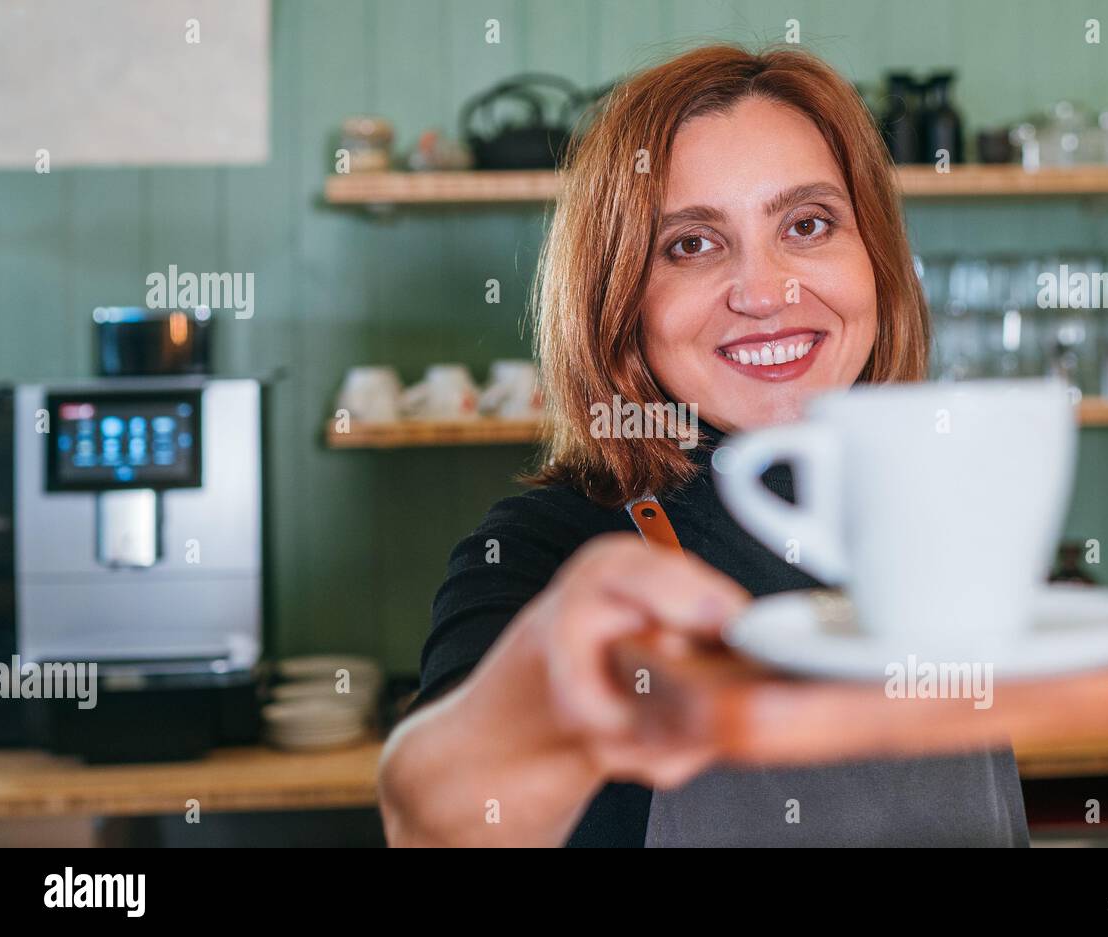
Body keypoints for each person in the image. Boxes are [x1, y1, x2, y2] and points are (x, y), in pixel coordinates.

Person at [378, 44, 1029, 847]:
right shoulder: (547, 549)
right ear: (620, 299)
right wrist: (536, 680)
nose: (766, 292)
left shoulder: (915, 525)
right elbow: (436, 810)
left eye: (808, 224)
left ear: (876, 261)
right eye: (691, 244)